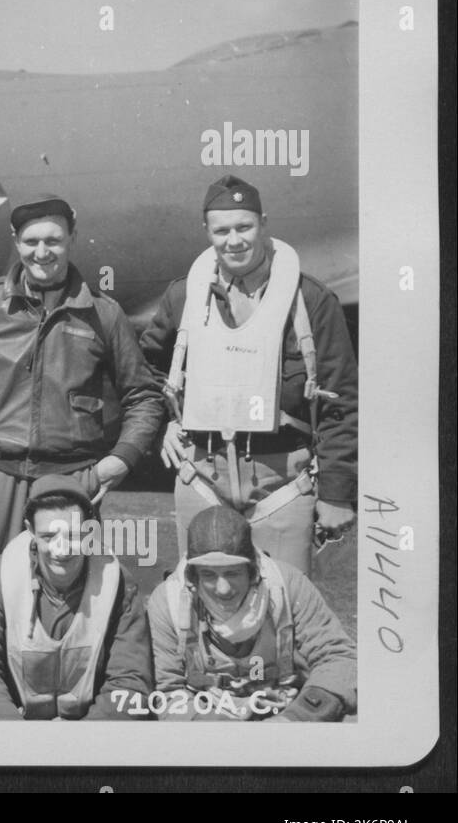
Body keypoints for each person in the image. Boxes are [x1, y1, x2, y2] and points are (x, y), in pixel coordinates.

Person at [0, 196, 163, 597]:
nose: (41, 252)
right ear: (16, 241)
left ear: (72, 239)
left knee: (68, 599)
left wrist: (121, 458)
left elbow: (144, 395)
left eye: (53, 241)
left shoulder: (104, 314)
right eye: (31, 242)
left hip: (68, 481)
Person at [139, 175, 358, 574]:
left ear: (264, 223)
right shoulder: (184, 297)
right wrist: (163, 426)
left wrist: (336, 493)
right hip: (201, 473)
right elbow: (143, 372)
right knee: (203, 601)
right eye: (222, 230)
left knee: (285, 607)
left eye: (244, 227)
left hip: (283, 480)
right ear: (207, 232)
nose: (234, 240)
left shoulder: (310, 300)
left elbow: (341, 400)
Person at [0, 475, 154, 720]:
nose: (61, 549)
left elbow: (131, 680)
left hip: (92, 733)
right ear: (30, 530)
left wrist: (81, 745)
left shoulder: (118, 582)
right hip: (15, 726)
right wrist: (12, 737)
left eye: (73, 536)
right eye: (48, 537)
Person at [146, 504, 356, 722]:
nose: (223, 589)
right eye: (208, 574)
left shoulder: (287, 584)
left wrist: (296, 717)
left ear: (253, 570)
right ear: (192, 577)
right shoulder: (167, 601)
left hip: (288, 711)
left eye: (233, 572)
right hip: (209, 718)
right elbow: (168, 693)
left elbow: (338, 658)